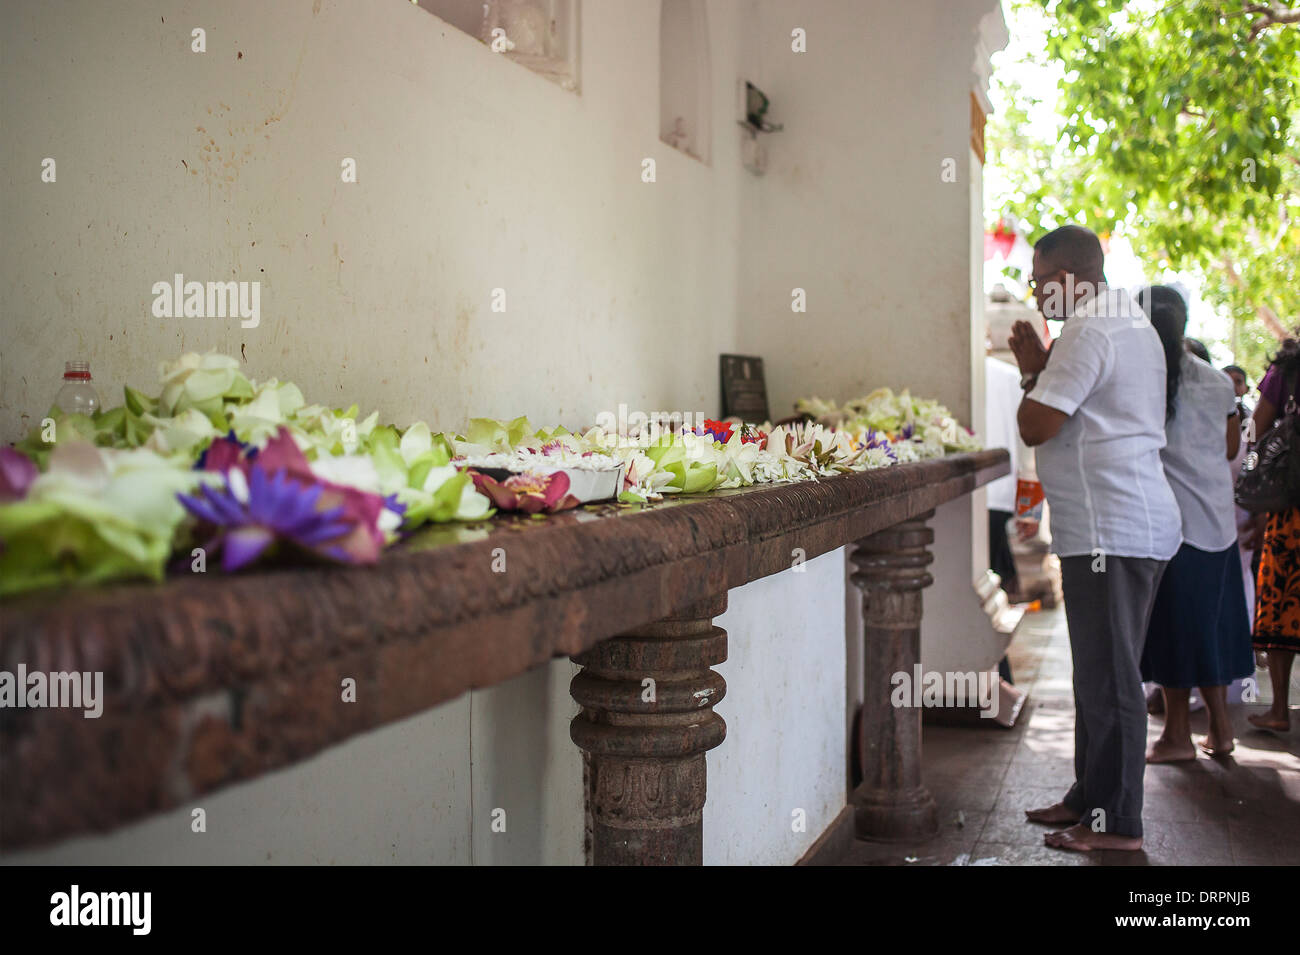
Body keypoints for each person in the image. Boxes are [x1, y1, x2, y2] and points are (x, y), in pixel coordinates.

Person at [1008, 225, 1181, 853]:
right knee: (1098, 676)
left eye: (1037, 280)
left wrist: (1033, 374)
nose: (1035, 293)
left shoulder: (1088, 329)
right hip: (1119, 525)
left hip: (1115, 530)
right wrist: (1043, 366)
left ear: (1066, 279)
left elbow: (1037, 425)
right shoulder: (1124, 320)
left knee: (1111, 681)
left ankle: (1119, 825)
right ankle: (1090, 797)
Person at [1137, 286, 1253, 761]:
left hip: (1171, 524)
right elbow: (1229, 449)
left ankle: (1177, 736)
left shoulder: (1148, 378)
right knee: (1210, 627)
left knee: (1174, 629)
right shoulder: (1217, 381)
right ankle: (1222, 731)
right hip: (1216, 520)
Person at [1246, 341, 1300, 732]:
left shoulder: (1286, 371)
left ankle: (1280, 709)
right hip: (1289, 506)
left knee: (1282, 602)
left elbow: (1256, 430)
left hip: (1291, 507)